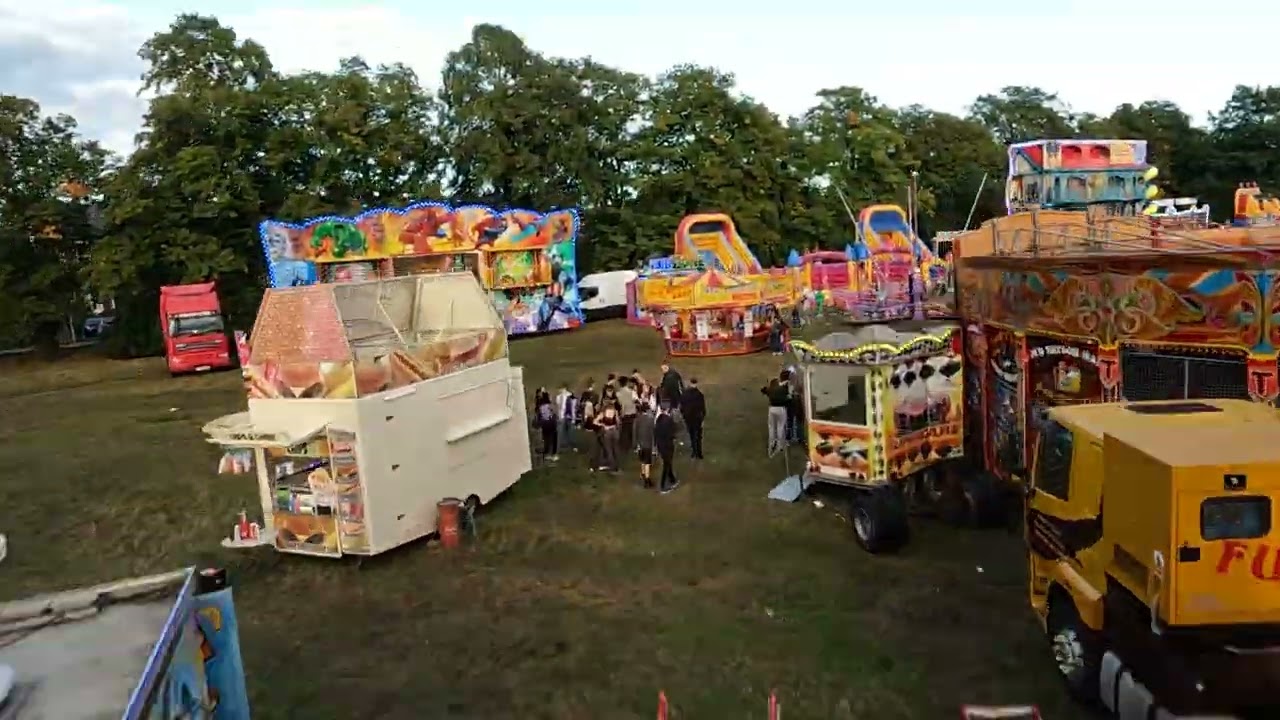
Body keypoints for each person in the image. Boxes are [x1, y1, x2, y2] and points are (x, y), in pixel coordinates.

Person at [654, 403, 679, 493]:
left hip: (661, 446)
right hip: (667, 446)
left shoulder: (659, 419)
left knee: (668, 463)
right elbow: (673, 432)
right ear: (668, 409)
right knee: (666, 465)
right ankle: (663, 486)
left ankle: (672, 479)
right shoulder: (668, 420)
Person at [761, 378, 789, 455]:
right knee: (780, 426)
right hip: (781, 409)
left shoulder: (770, 389)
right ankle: (779, 445)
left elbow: (763, 390)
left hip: (772, 409)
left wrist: (767, 388)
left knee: (771, 427)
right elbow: (788, 393)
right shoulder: (782, 389)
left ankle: (771, 443)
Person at [681, 377, 706, 459]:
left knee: (692, 435)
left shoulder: (685, 394)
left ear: (690, 383)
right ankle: (699, 452)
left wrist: (684, 415)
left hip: (689, 418)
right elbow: (703, 408)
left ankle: (694, 451)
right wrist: (703, 418)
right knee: (698, 436)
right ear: (696, 384)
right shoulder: (700, 395)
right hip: (698, 418)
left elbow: (682, 406)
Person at [634, 400, 656, 487]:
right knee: (647, 462)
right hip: (648, 444)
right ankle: (647, 480)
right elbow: (653, 433)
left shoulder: (637, 420)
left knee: (642, 460)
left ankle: (642, 474)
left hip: (640, 444)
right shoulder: (650, 420)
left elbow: (634, 432)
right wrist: (654, 446)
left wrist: (635, 444)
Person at [595, 403, 621, 471]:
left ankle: (613, 465)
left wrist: (603, 425)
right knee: (612, 449)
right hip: (611, 432)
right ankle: (614, 465)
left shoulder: (606, 413)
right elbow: (618, 422)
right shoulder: (611, 413)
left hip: (610, 432)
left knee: (611, 449)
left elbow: (595, 422)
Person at [533, 388, 558, 461]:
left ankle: (547, 453)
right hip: (550, 422)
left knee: (546, 438)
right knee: (553, 438)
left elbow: (538, 415)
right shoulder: (548, 404)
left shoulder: (539, 405)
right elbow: (554, 413)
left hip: (545, 423)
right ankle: (553, 454)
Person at [617, 377, 638, 452]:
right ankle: (632, 446)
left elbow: (619, 405)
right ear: (626, 383)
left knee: (624, 431)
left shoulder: (618, 394)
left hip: (624, 414)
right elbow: (636, 401)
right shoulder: (632, 392)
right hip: (632, 413)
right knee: (631, 431)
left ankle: (624, 447)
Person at [555, 382, 576, 452]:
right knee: (561, 431)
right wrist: (559, 416)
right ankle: (562, 445)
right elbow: (558, 408)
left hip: (569, 416)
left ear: (564, 388)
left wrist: (573, 418)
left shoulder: (571, 395)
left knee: (570, 431)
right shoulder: (558, 397)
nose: (559, 390)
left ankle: (572, 445)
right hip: (562, 416)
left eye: (560, 389)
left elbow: (573, 407)